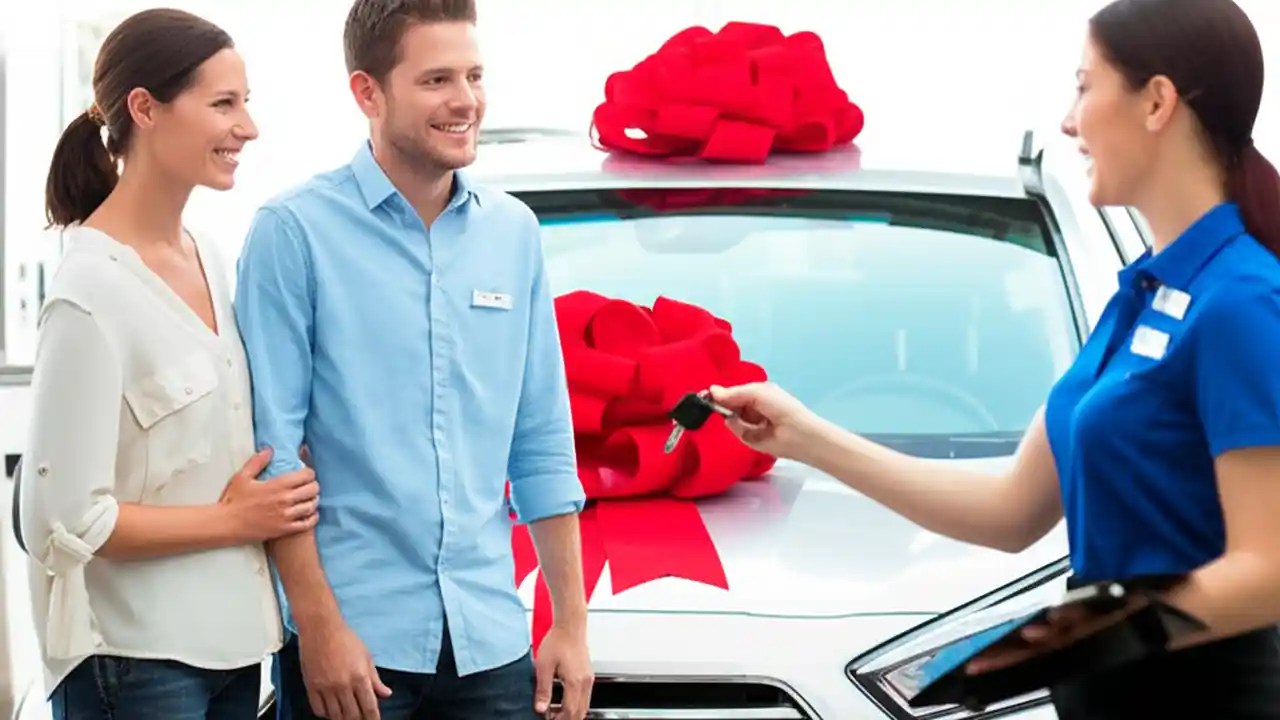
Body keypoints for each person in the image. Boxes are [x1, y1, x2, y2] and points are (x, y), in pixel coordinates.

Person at [708, 0, 1280, 717]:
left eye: (1083, 85)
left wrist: (1059, 641)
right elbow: (1009, 511)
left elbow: (1268, 572)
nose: (1070, 121)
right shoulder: (1138, 298)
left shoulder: (1242, 300)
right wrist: (803, 437)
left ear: (1157, 101)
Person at [232, 1, 594, 718]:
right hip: (357, 649)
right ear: (368, 93)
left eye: (474, 75)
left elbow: (542, 440)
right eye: (435, 80)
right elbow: (271, 453)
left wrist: (570, 624)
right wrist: (320, 628)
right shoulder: (294, 233)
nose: (465, 101)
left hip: (492, 641)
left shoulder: (513, 234)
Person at [19, 8, 321, 720]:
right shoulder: (90, 290)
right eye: (224, 104)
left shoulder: (210, 259)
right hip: (135, 661)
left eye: (245, 102)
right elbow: (57, 522)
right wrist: (235, 520)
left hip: (233, 651)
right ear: (145, 109)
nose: (247, 127)